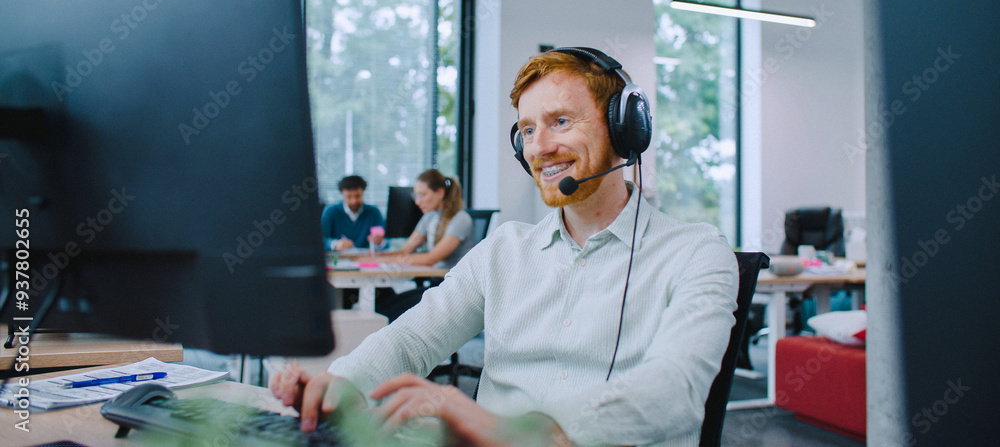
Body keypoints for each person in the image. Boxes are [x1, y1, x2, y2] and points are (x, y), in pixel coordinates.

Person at [272, 48, 739, 446]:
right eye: (528, 131)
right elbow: (412, 339)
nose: (540, 148)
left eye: (560, 121)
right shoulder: (505, 251)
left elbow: (675, 388)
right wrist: (340, 382)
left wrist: (514, 430)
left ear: (625, 130)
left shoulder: (696, 252)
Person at [365, 169, 475, 270]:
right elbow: (405, 251)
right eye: (416, 196)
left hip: (454, 286)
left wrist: (380, 261)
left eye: (422, 195)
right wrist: (378, 256)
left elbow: (430, 259)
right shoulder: (429, 216)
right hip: (436, 280)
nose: (417, 202)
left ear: (440, 193)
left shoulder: (460, 219)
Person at [321, 175, 386, 251]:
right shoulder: (331, 212)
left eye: (358, 196)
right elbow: (320, 240)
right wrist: (335, 244)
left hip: (365, 260)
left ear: (363, 193)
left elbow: (387, 242)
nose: (354, 201)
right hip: (338, 259)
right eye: (349, 197)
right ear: (343, 194)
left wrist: (381, 242)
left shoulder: (374, 213)